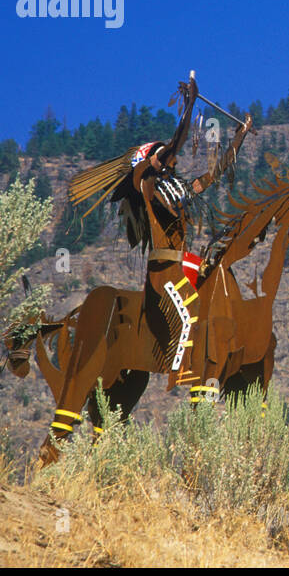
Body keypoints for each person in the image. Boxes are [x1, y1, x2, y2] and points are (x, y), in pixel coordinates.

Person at [66, 75, 252, 390]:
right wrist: (190, 104)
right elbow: (175, 144)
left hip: (178, 266)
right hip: (162, 273)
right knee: (190, 306)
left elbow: (213, 176)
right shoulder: (146, 186)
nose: (173, 155)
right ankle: (180, 370)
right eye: (163, 154)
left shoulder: (176, 189)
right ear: (151, 161)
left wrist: (239, 139)